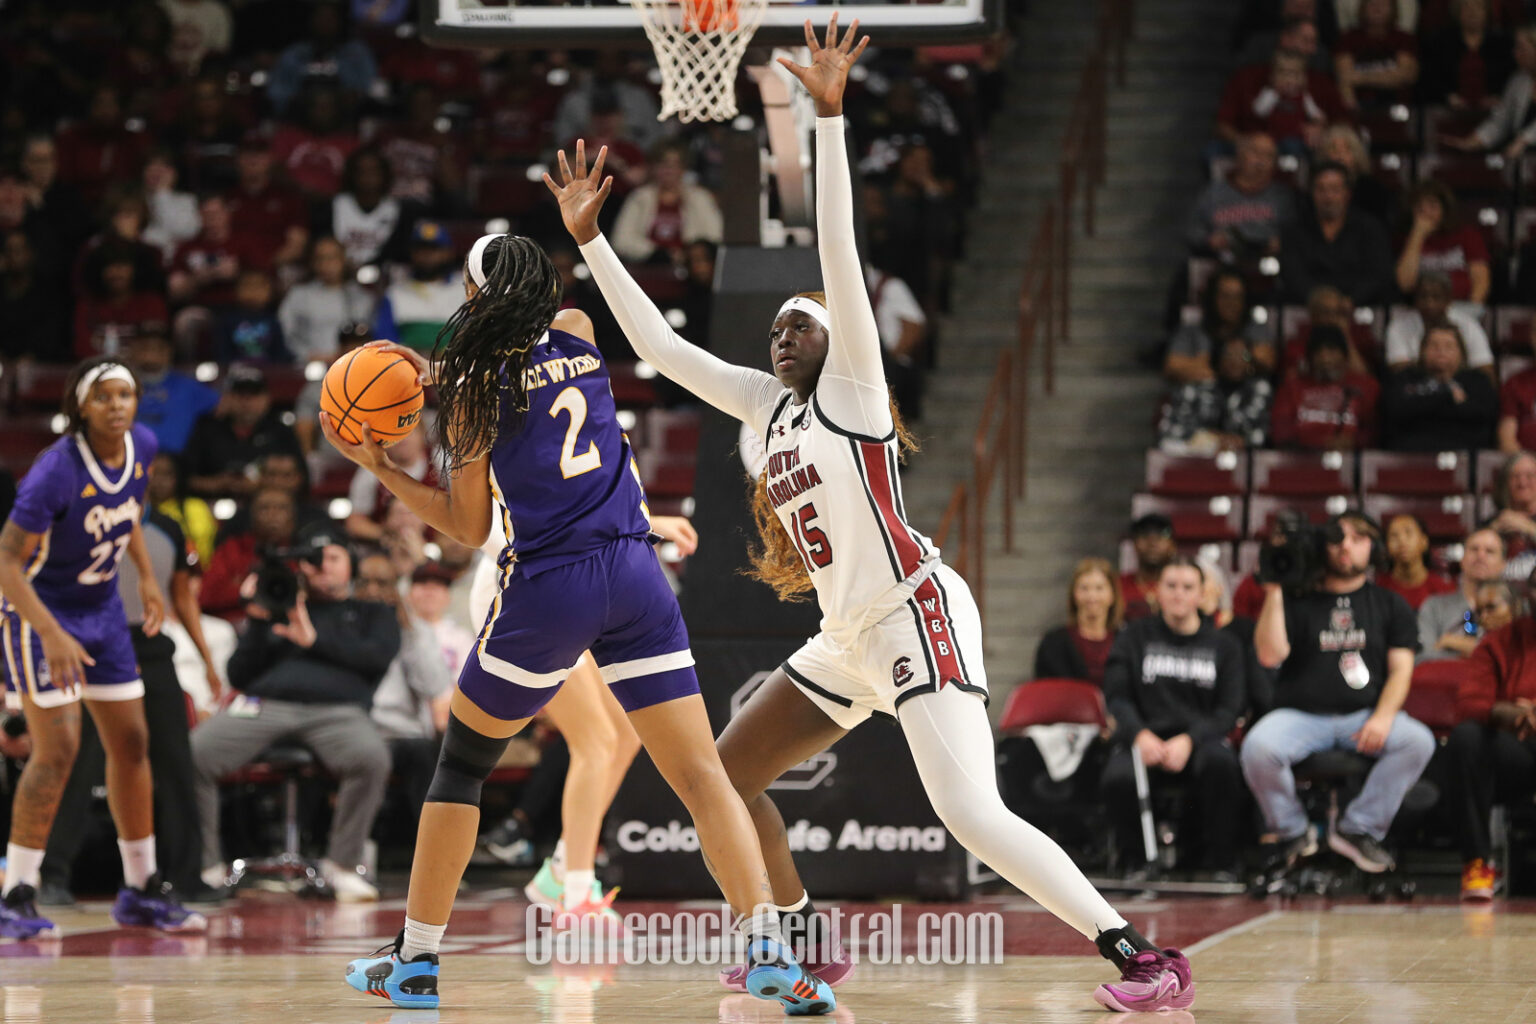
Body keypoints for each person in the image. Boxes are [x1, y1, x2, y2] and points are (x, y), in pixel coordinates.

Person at [548, 18, 1195, 1013]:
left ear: (834, 340)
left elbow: (838, 252)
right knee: (724, 776)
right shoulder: (768, 407)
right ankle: (802, 937)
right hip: (845, 633)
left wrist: (829, 122)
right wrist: (590, 241)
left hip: (915, 611)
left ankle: (1143, 957)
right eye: (775, 327)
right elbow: (666, 354)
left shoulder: (853, 393)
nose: (780, 334)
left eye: (797, 325)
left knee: (969, 814)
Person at [325, 204, 837, 1015]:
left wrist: (384, 468)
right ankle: (765, 942)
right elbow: (536, 370)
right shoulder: (578, 330)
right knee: (702, 776)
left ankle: (415, 960)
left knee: (462, 767)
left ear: (476, 295)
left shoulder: (470, 389)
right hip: (634, 575)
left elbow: (467, 526)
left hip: (548, 588)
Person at [0, 357, 206, 938]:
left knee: (133, 742)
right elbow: (7, 562)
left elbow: (129, 512)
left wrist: (146, 576)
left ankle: (140, 887)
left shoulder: (143, 446)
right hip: (40, 613)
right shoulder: (55, 471)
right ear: (81, 407)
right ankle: (17, 892)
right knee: (58, 750)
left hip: (103, 612)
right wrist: (50, 632)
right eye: (105, 396)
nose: (117, 406)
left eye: (126, 395)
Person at [40, 484, 222, 904]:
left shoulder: (167, 527)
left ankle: (186, 876)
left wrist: (207, 661)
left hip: (151, 645)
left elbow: (182, 597)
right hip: (92, 645)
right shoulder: (81, 518)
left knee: (176, 760)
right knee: (81, 761)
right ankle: (52, 876)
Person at [192, 527, 395, 901]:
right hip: (265, 706)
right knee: (195, 752)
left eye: (333, 558)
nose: (323, 566)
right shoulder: (277, 605)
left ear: (351, 565)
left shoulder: (372, 612)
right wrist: (257, 620)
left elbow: (377, 657)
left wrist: (314, 640)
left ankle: (342, 866)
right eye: (314, 560)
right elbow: (238, 674)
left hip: (338, 712)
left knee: (371, 757)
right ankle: (205, 867)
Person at [1246, 513, 1435, 873]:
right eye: (1337, 538)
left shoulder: (1390, 604)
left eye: (1358, 538)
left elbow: (1401, 671)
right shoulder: (1297, 599)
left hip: (1363, 716)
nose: (1346, 546)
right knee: (1258, 746)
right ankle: (1293, 831)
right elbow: (1269, 656)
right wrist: (1274, 590)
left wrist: (1383, 717)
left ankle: (1359, 828)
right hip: (1301, 715)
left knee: (1418, 741)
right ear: (1323, 547)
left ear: (1373, 548)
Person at [1100, 558, 1246, 880]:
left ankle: (1218, 863)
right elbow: (1117, 696)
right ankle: (1135, 862)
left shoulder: (1225, 645)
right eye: (1171, 586)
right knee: (1118, 777)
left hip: (1200, 739)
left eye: (1187, 587)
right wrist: (1139, 735)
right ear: (1158, 592)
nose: (1179, 593)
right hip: (1145, 737)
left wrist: (1190, 740)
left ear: (1201, 595)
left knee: (1222, 765)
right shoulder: (1133, 637)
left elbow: (1229, 708)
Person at [1445, 565, 1536, 899]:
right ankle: (1477, 863)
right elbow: (1468, 704)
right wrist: (1516, 713)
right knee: (1467, 738)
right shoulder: (1500, 642)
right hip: (1521, 749)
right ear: (1527, 596)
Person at [1279, 161, 1395, 306]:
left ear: (1348, 193)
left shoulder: (1370, 228)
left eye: (1335, 190)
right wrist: (1321, 301)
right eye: (1321, 189)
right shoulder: (1294, 230)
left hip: (1359, 306)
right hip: (1308, 306)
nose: (1328, 197)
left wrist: (1350, 300)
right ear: (1311, 193)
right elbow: (1293, 275)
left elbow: (1378, 274)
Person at [183, 363, 305, 500]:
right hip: (212, 502)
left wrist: (262, 484)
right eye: (241, 395)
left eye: (254, 395)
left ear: (267, 399)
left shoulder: (281, 432)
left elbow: (302, 480)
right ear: (227, 397)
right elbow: (184, 478)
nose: (247, 402)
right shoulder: (206, 429)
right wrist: (218, 483)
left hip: (267, 505)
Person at [1380, 321, 1498, 451]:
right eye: (1434, 346)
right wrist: (1449, 399)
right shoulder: (1404, 379)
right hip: (1410, 454)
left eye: (1449, 346)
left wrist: (1422, 405)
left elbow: (1481, 416)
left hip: (1463, 453)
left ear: (1461, 353)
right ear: (1422, 351)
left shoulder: (1478, 381)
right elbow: (1395, 412)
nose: (1441, 351)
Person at [1185, 132, 1295, 264]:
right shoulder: (1213, 193)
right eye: (1255, 152)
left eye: (1269, 155)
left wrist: (1282, 242)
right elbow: (1192, 230)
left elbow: (1297, 233)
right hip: (1223, 261)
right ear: (1240, 155)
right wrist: (1209, 240)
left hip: (1270, 262)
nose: (1261, 160)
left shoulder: (1283, 196)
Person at [610, 140, 724, 265]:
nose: (668, 170)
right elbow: (621, 241)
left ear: (684, 168)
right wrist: (658, 253)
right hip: (646, 266)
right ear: (653, 167)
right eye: (663, 165)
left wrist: (688, 253)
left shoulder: (700, 198)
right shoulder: (639, 198)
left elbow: (715, 237)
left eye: (675, 165)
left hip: (689, 268)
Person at [1270, 324, 1379, 450]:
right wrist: (1319, 443)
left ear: (1345, 355)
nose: (1325, 358)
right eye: (1318, 352)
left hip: (1352, 458)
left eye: (1332, 350)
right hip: (1301, 458)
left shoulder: (1364, 386)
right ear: (1310, 358)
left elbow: (1373, 429)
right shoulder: (1292, 388)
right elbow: (1281, 431)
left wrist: (1354, 442)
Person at [1164, 269, 1276, 384]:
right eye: (1226, 296)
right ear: (1212, 298)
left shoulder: (1256, 329)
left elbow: (1267, 360)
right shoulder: (1192, 331)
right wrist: (1219, 362)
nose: (1232, 303)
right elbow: (1172, 366)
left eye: (1238, 297)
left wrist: (1245, 355)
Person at [1442, 24, 1536, 159]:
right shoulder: (1517, 81)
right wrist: (1472, 141)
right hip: (1521, 160)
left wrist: (1524, 140)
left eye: (1521, 48)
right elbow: (1500, 121)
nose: (1515, 53)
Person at [279, 237, 376, 365]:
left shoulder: (361, 297)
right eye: (320, 258)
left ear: (343, 259)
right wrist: (307, 355)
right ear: (312, 262)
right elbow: (285, 333)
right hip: (308, 366)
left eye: (332, 258)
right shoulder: (298, 295)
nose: (326, 264)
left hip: (351, 365)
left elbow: (370, 334)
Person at [1394, 179, 1490, 305]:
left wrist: (1470, 310)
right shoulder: (1406, 239)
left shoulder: (1467, 235)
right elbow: (1405, 284)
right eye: (1419, 208)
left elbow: (1481, 281)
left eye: (1432, 206)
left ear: (1444, 209)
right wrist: (1417, 235)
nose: (1426, 213)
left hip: (1462, 307)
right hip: (1421, 310)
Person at [126, 329, 220, 457]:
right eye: (145, 347)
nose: (151, 354)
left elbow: (226, 405)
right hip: (126, 459)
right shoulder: (118, 385)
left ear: (169, 352)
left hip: (174, 462)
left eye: (159, 348)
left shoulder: (189, 387)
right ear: (132, 350)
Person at [1419, 527, 1508, 660]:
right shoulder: (1434, 606)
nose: (1480, 556)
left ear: (1503, 564)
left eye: (1489, 551)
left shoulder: (1516, 609)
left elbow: (1513, 656)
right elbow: (1423, 658)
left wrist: (1455, 642)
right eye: (1474, 549)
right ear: (1462, 559)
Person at [1034, 558, 1124, 686]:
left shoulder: (1126, 642)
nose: (1092, 596)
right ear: (1073, 595)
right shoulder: (1053, 643)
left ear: (1112, 595)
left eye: (1099, 588)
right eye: (1084, 588)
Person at [1385, 271, 1493, 374]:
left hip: (1461, 383)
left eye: (1436, 297)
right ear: (1415, 299)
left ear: (1448, 300)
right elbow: (1398, 370)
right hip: (1416, 385)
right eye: (1423, 296)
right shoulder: (1399, 326)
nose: (1429, 304)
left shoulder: (1468, 325)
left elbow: (1485, 368)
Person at [1418, 0, 1513, 110]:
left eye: (1478, 7)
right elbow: (1430, 79)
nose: (1472, 12)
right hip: (1448, 110)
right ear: (1457, 12)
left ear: (1487, 12)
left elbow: (1509, 79)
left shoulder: (1502, 44)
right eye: (1466, 7)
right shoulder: (1439, 42)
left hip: (1494, 111)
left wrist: (1497, 97)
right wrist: (1447, 98)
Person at [1333, 0, 1419, 109]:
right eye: (1372, 4)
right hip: (1359, 107)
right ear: (1363, 8)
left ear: (1393, 9)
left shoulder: (1404, 39)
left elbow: (1405, 76)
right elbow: (1344, 77)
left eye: (1383, 4)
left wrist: (1360, 78)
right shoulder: (1348, 39)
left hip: (1399, 107)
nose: (1377, 8)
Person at [1378, 513, 1456, 609]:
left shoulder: (1444, 590)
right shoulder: (1378, 589)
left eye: (1408, 533)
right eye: (1394, 536)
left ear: (1424, 541)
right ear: (1386, 546)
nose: (1402, 541)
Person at [1121, 513, 1178, 622]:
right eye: (1144, 535)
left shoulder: (1184, 587)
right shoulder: (1118, 586)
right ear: (1134, 544)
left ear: (1173, 545)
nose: (1152, 543)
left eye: (1161, 536)